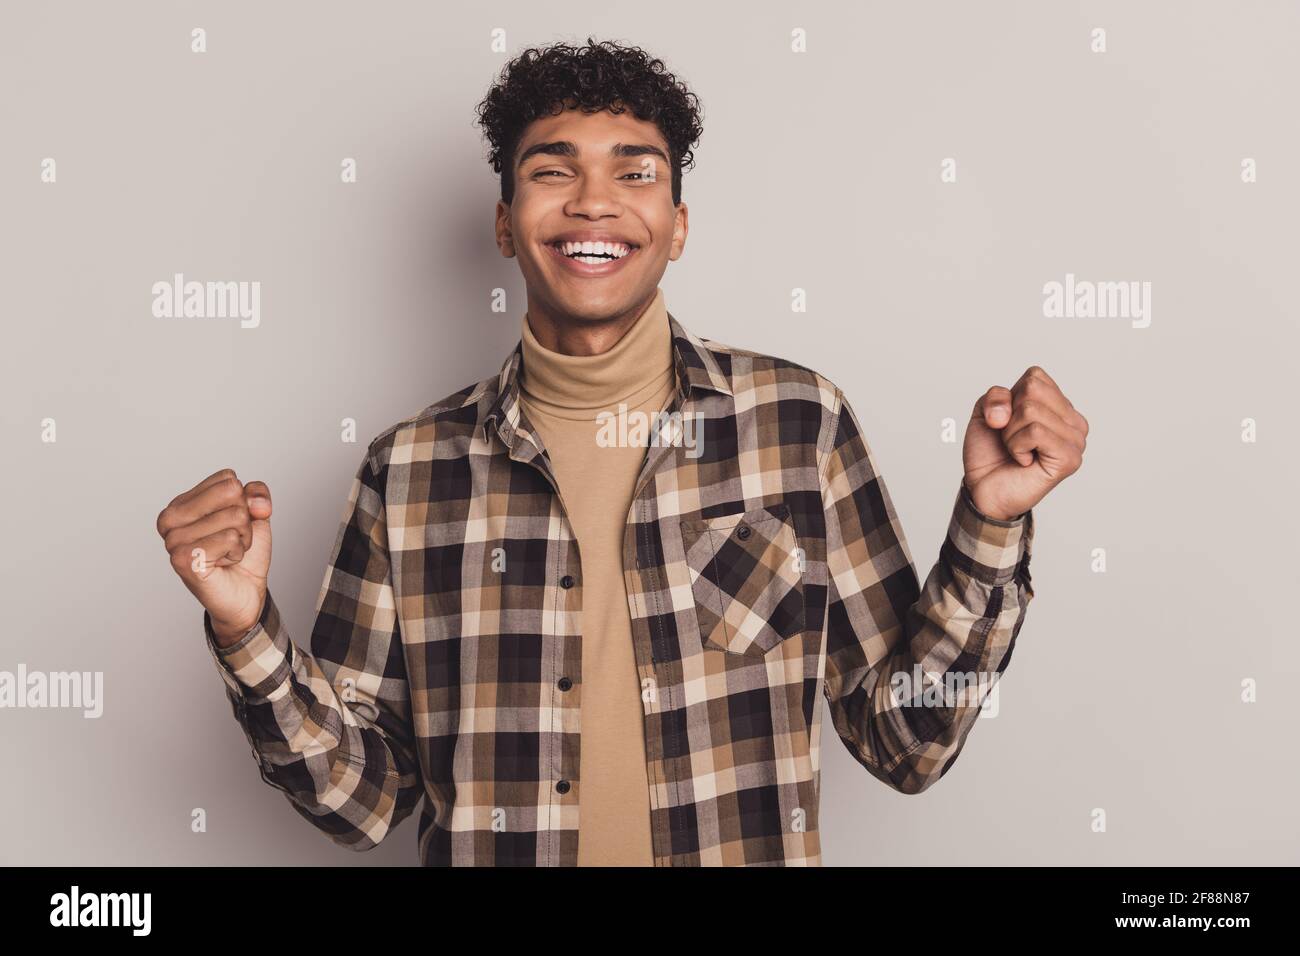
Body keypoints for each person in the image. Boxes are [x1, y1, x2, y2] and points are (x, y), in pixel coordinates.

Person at [154, 38, 1087, 866]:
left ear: (677, 225)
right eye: (552, 171)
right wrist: (246, 632)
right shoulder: (408, 471)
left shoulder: (799, 424)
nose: (593, 200)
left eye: (634, 173)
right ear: (504, 219)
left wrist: (990, 529)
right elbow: (361, 802)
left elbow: (907, 742)